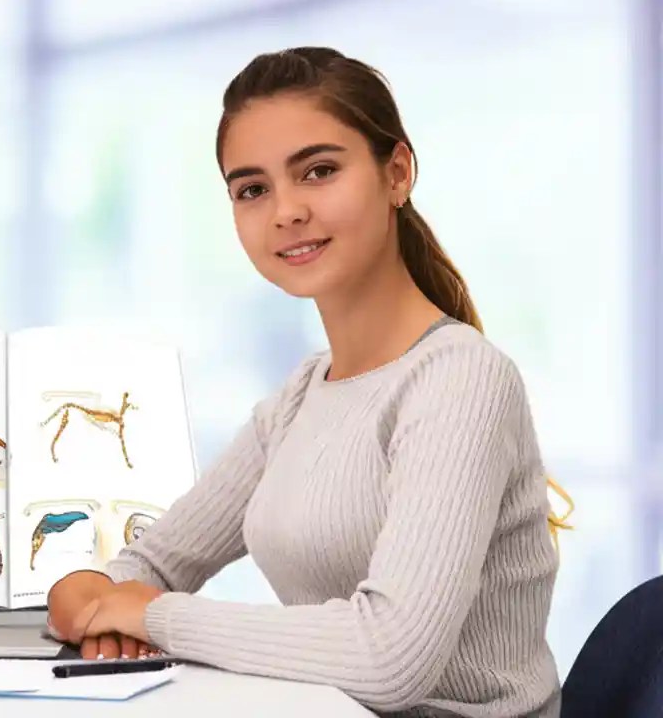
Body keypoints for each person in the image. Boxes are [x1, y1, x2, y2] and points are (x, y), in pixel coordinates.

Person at [45, 46, 574, 718]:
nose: (285, 210)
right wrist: (93, 590)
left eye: (318, 171)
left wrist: (151, 617)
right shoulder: (300, 396)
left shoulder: (462, 380)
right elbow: (150, 564)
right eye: (253, 189)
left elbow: (388, 658)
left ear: (398, 173)